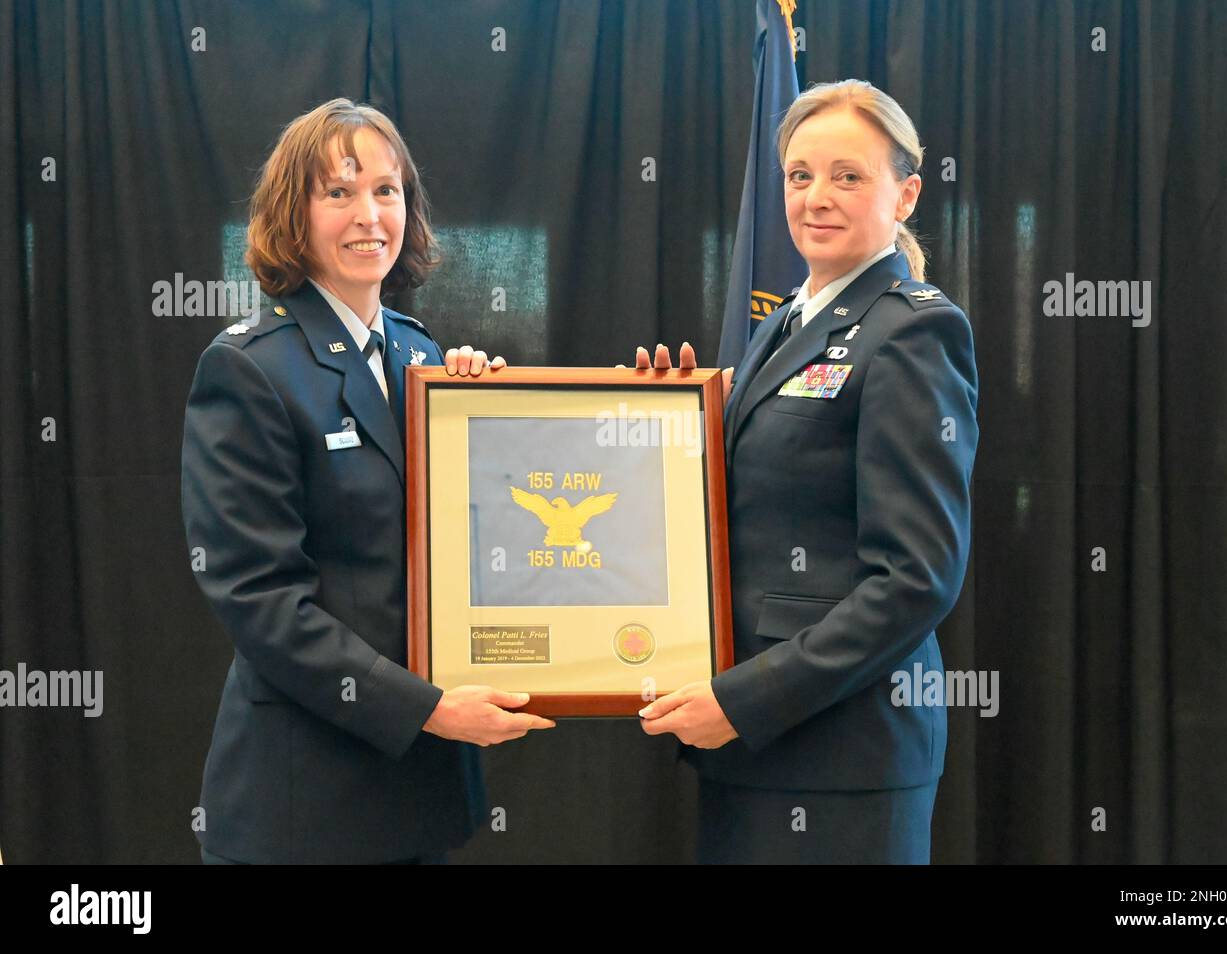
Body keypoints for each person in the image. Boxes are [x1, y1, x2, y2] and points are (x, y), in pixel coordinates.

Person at [181, 98, 554, 864]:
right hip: (306, 805)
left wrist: (483, 425)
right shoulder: (250, 368)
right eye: (339, 192)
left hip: (420, 796)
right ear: (294, 210)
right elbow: (261, 602)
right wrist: (427, 710)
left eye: (387, 190)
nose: (369, 214)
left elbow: (468, 549)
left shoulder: (421, 357)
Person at [636, 80, 979, 863]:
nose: (816, 197)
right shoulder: (788, 323)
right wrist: (665, 418)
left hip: (839, 759)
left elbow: (916, 579)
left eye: (848, 176)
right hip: (753, 751)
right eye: (800, 175)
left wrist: (744, 701)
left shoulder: (913, 331)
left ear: (907, 194)